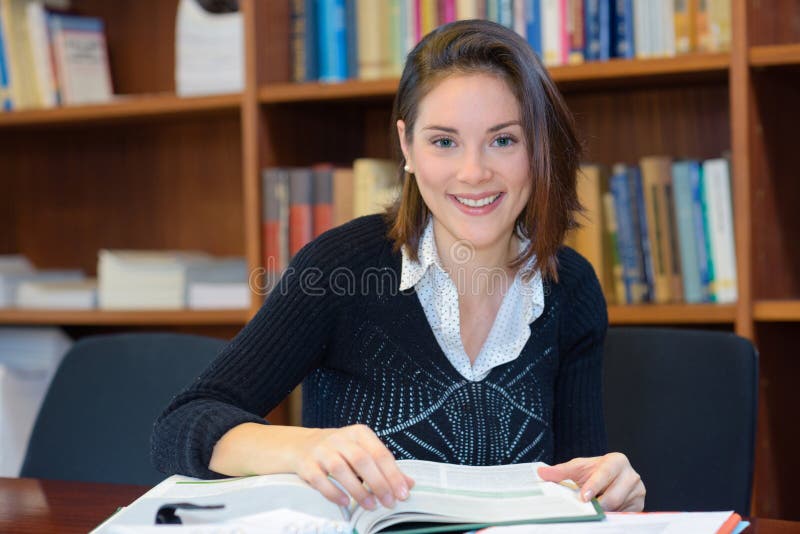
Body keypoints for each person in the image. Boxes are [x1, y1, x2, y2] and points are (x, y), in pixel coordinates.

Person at [151, 19, 646, 514]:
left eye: (504, 140)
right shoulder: (340, 269)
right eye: (444, 141)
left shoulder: (570, 286)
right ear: (407, 146)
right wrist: (301, 448)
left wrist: (608, 487)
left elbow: (578, 485)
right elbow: (180, 426)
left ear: (540, 146)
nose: (473, 172)